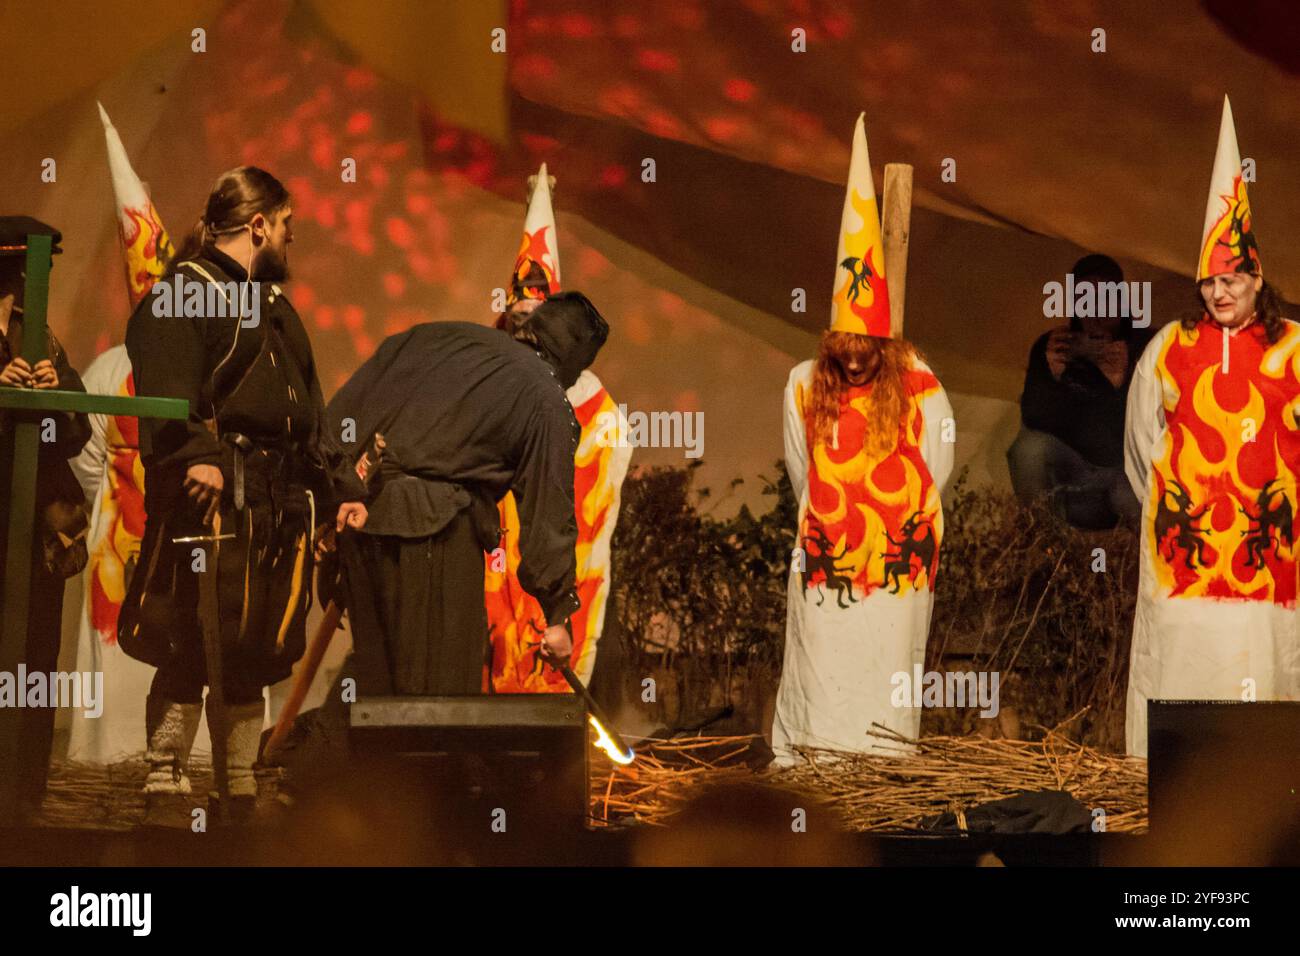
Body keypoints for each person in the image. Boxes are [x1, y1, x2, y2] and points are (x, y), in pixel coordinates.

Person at [118, 167, 367, 822]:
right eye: (287, 228)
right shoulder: (184, 292)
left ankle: (239, 785)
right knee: (190, 641)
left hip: (276, 503)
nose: (290, 241)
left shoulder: (275, 308)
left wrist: (340, 490)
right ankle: (165, 776)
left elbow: (309, 414)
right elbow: (166, 398)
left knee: (253, 650)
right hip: (213, 496)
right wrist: (198, 457)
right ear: (259, 225)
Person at [772, 116, 954, 763]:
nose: (853, 363)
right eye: (843, 351)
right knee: (822, 662)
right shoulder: (801, 384)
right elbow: (802, 472)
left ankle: (883, 762)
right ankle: (815, 759)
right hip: (828, 557)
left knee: (883, 667)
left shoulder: (919, 382)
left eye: (865, 351)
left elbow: (938, 465)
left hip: (896, 564)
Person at [1123, 96, 1300, 757]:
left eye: (1232, 279)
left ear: (1256, 276)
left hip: (1270, 559)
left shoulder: (1295, 347)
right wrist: (1175, 505)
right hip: (1185, 555)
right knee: (1182, 664)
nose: (1220, 293)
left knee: (1261, 674)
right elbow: (1141, 447)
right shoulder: (1169, 346)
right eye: (1208, 282)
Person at [327, 291, 609, 697]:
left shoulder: (445, 338)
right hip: (434, 535)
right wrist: (558, 616)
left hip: (362, 521)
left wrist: (332, 497)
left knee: (375, 693)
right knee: (437, 697)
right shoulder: (547, 401)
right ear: (574, 360)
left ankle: (319, 759)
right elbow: (548, 515)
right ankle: (321, 758)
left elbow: (343, 416)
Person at [484, 164, 632, 697]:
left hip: (551, 544)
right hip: (494, 550)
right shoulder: (487, 372)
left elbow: (600, 462)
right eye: (518, 319)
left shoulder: (591, 401)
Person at [0, 216, 91, 817]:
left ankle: (25, 791)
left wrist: (56, 392)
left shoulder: (38, 335)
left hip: (33, 531)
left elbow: (79, 427)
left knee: (34, 658)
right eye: (35, 262)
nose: (43, 274)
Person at [1007, 253, 1141, 529]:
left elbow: (1142, 433)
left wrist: (1117, 383)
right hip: (1073, 478)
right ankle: (1041, 549)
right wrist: (1053, 377)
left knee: (1129, 487)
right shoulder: (1056, 346)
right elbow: (1033, 419)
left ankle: (1156, 565)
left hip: (1123, 479)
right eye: (1085, 300)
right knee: (1028, 449)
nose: (1096, 313)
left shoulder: (1142, 346)